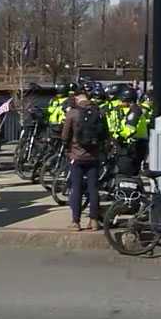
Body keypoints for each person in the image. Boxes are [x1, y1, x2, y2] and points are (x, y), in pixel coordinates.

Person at [62, 92, 107, 231]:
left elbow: (65, 136)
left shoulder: (73, 113)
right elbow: (105, 134)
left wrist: (69, 150)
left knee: (76, 188)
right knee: (93, 188)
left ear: (77, 99)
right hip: (93, 157)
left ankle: (75, 222)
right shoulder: (99, 112)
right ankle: (94, 221)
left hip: (77, 157)